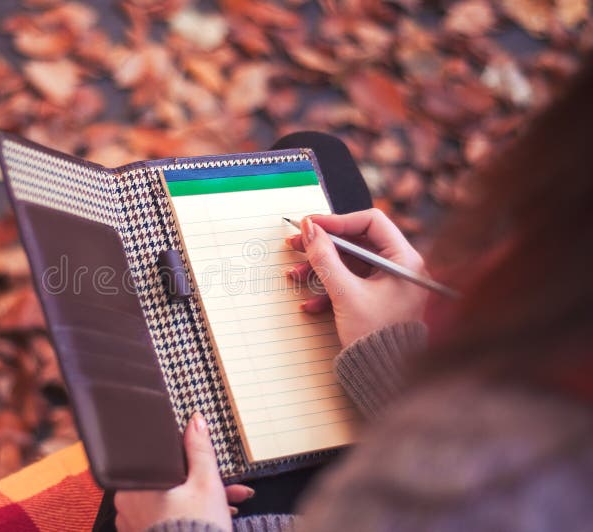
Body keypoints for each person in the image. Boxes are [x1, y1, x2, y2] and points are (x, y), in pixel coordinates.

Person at [113, 54, 593, 531]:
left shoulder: (485, 492)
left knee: (137, 476)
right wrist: (394, 357)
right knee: (316, 151)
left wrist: (183, 527)